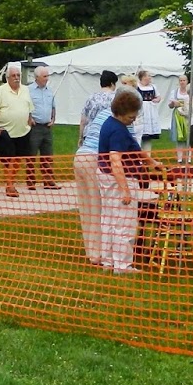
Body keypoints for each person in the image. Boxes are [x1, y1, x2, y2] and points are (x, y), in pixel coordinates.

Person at [96, 88, 164, 273]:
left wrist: (152, 162)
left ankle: (108, 262)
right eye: (131, 117)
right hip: (119, 180)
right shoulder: (118, 131)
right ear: (121, 112)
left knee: (109, 220)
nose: (133, 119)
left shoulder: (111, 124)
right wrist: (125, 190)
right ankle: (122, 265)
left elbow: (135, 149)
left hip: (106, 177)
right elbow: (115, 161)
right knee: (123, 223)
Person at [73, 73, 120, 262]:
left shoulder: (91, 98)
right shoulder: (116, 102)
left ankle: (91, 251)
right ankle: (99, 253)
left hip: (83, 150)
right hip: (97, 153)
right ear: (113, 83)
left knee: (86, 206)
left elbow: (83, 120)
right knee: (98, 205)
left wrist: (80, 139)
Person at [0, 62, 32, 197]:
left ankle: (11, 182)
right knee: (9, 160)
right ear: (8, 78)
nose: (16, 78)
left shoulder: (26, 90)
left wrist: (29, 121)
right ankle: (10, 185)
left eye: (18, 75)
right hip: (6, 132)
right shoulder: (1, 91)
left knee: (18, 159)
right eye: (13, 75)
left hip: (23, 131)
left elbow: (29, 108)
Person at [24, 65, 59, 190]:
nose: (47, 78)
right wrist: (29, 118)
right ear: (37, 77)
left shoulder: (49, 91)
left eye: (47, 76)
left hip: (47, 127)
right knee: (31, 154)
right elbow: (25, 106)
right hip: (35, 127)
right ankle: (31, 181)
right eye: (45, 76)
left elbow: (53, 106)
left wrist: (53, 119)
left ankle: (48, 181)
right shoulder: (28, 90)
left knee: (47, 155)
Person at [168, 73, 193, 165]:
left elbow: (187, 113)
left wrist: (180, 110)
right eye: (180, 80)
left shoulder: (187, 99)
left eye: (184, 80)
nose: (182, 82)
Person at [135, 70, 164, 149]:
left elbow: (158, 96)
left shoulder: (153, 87)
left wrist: (157, 100)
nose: (150, 78)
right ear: (143, 77)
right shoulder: (137, 86)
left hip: (151, 110)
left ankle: (147, 153)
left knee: (148, 137)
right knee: (139, 134)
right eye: (148, 76)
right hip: (141, 110)